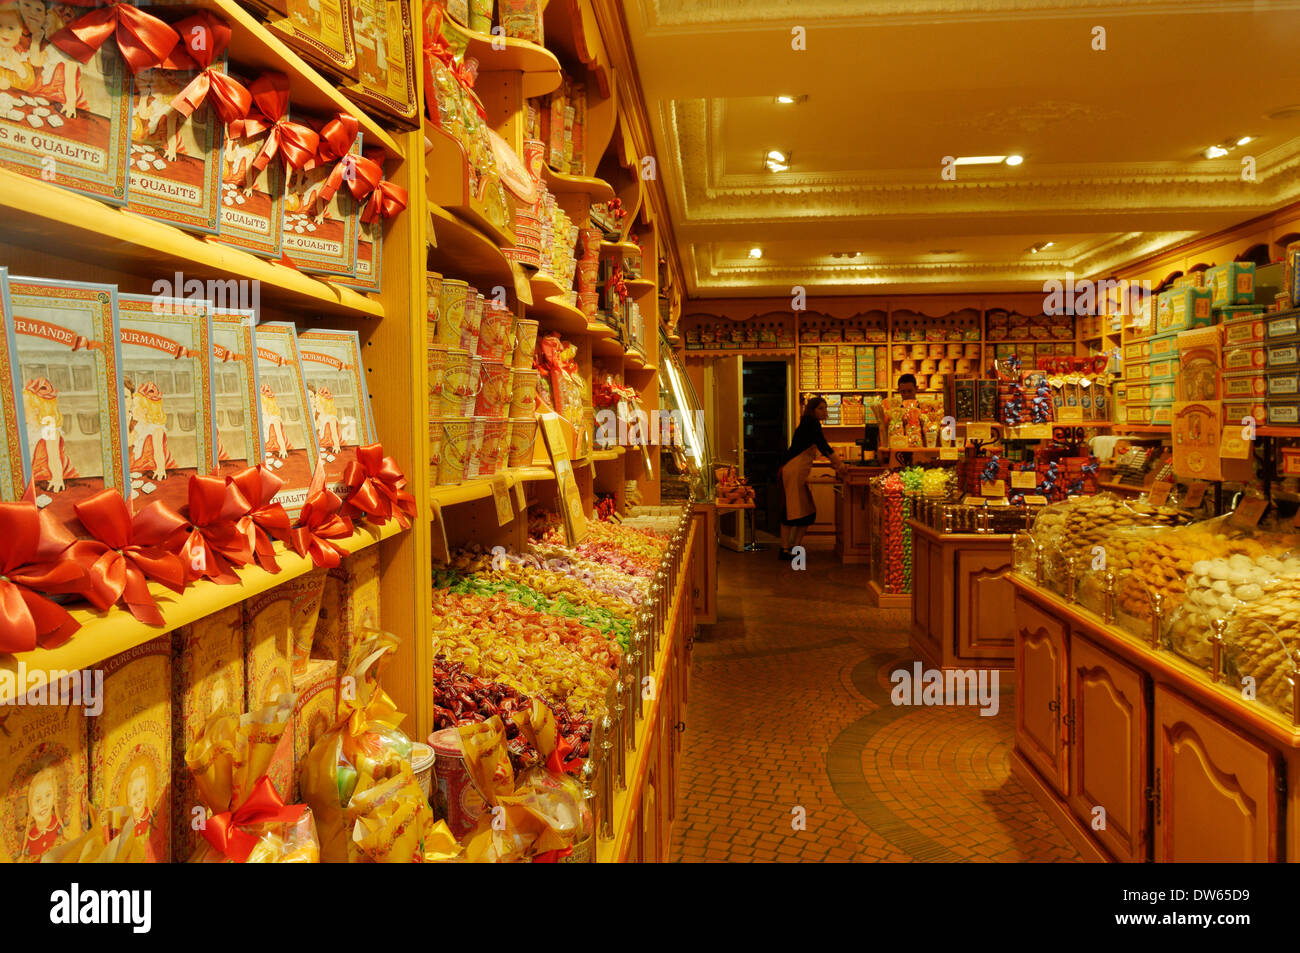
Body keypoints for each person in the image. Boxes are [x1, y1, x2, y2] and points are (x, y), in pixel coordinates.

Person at [777, 396, 847, 561]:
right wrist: (839, 464)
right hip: (794, 471)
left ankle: (794, 547)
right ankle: (785, 549)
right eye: (820, 408)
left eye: (825, 408)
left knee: (807, 512)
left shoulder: (809, 423)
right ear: (812, 410)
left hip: (796, 471)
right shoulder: (811, 423)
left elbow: (821, 446)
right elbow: (823, 445)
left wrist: (836, 463)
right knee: (792, 511)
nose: (824, 411)